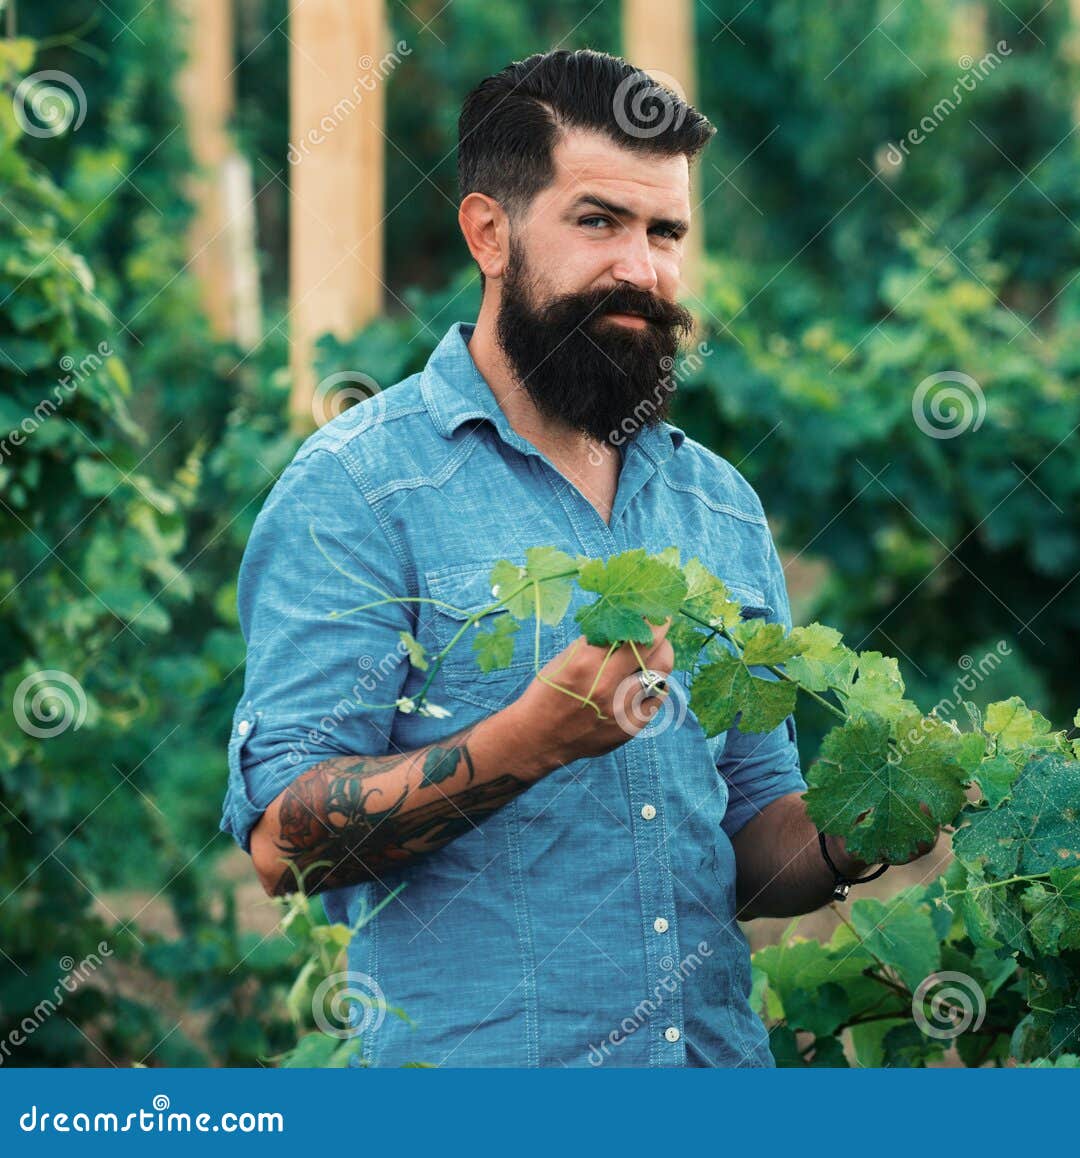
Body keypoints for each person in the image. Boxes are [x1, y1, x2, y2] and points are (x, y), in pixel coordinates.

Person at [220, 48, 933, 1068]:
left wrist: (849, 837)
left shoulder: (716, 505)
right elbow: (284, 843)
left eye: (665, 233)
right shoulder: (360, 492)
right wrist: (532, 740)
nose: (639, 269)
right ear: (489, 232)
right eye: (598, 222)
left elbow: (742, 848)